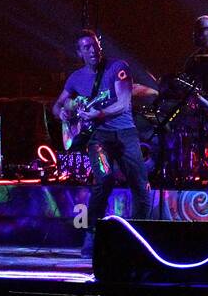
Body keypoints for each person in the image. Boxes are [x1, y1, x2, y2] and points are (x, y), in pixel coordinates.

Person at [53, 30, 150, 253]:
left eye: (94, 45)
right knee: (103, 180)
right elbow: (57, 105)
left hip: (125, 134)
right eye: (86, 47)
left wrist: (98, 114)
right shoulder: (75, 78)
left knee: (140, 185)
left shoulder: (118, 67)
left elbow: (123, 102)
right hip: (98, 139)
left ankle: (138, 238)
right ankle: (91, 233)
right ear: (79, 52)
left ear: (100, 46)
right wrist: (64, 115)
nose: (92, 50)